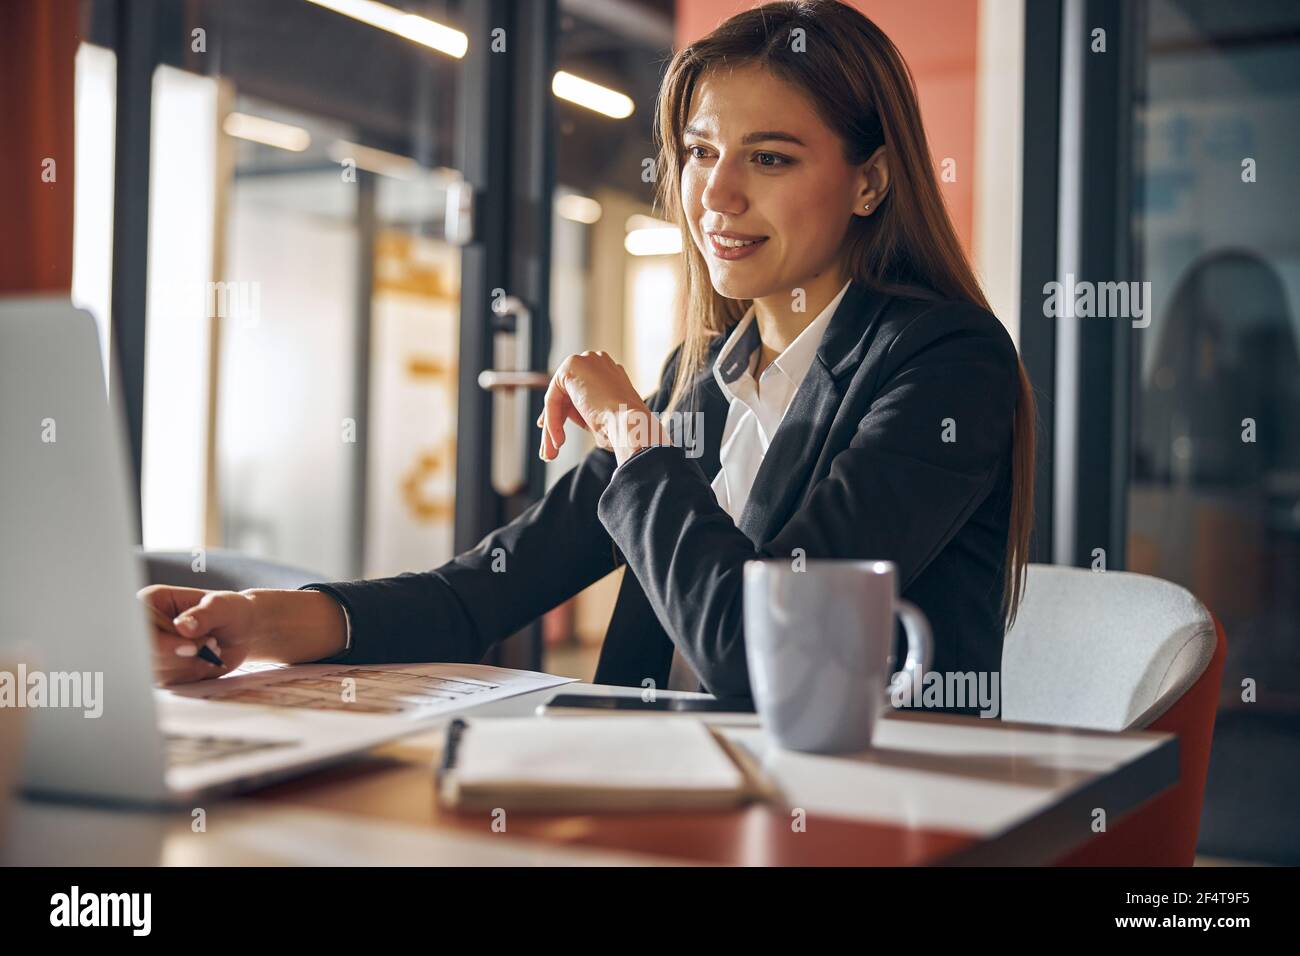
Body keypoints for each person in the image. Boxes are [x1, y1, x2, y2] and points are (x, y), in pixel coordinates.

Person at [144, 0, 1035, 713]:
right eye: (698, 153)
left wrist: (628, 432)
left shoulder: (946, 363)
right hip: (678, 786)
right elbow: (482, 592)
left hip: (862, 814)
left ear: (870, 179)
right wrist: (253, 624)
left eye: (769, 157)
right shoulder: (708, 371)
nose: (715, 195)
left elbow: (757, 649)